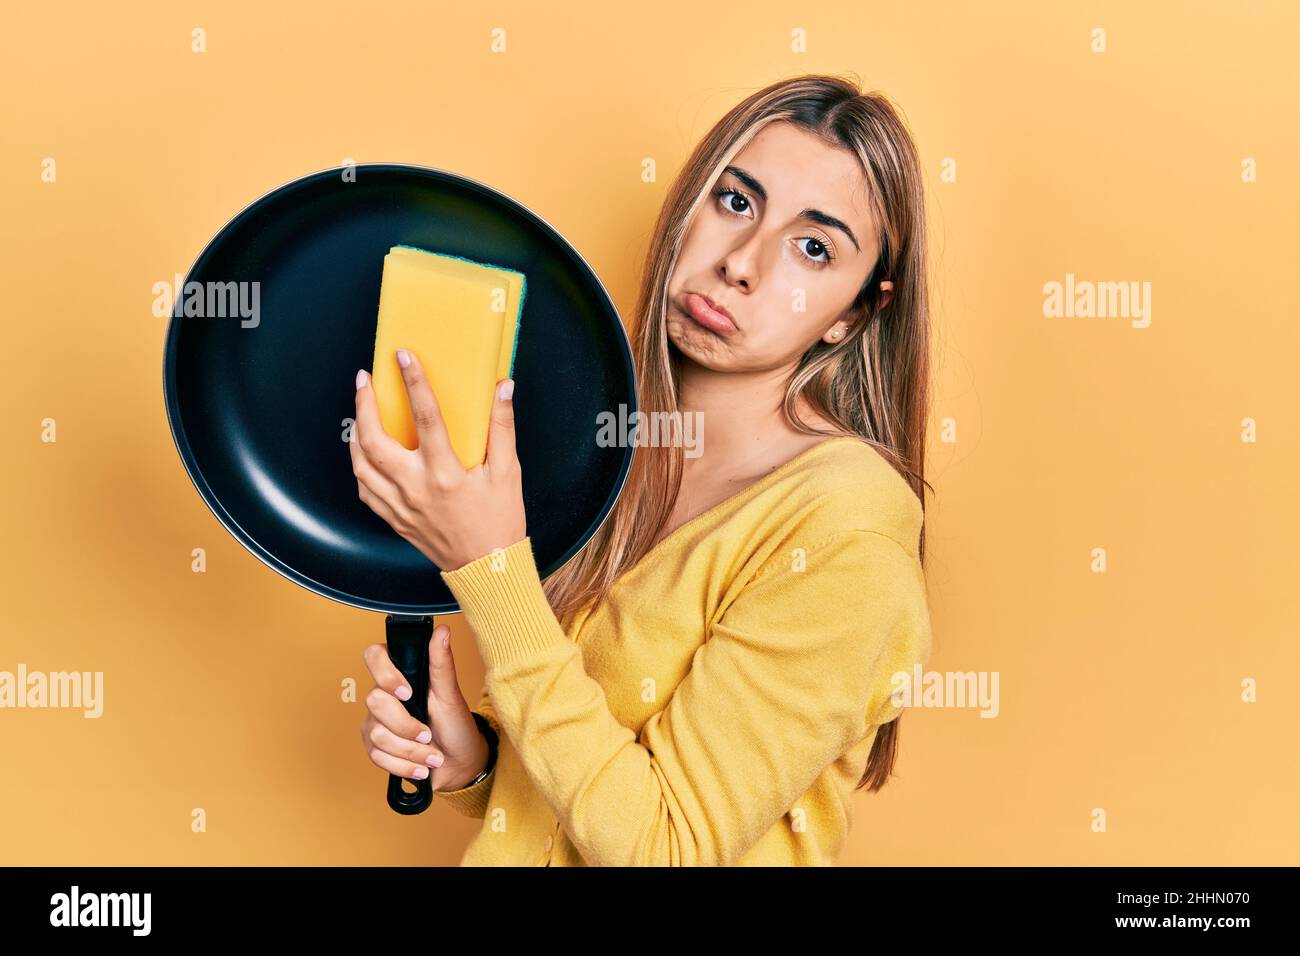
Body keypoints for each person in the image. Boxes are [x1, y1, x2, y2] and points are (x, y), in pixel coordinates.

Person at [350, 74, 936, 866]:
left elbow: (667, 849)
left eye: (813, 247)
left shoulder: (845, 533)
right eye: (735, 202)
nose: (743, 264)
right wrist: (483, 763)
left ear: (853, 315)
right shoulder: (611, 447)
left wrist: (488, 568)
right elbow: (595, 791)